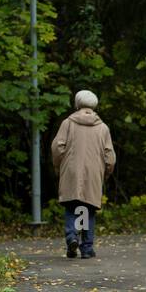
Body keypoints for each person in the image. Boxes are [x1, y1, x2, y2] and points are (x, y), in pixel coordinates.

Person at [51, 90, 115, 259]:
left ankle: (72, 237)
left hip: (71, 170)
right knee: (88, 208)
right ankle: (86, 248)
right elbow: (109, 155)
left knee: (73, 205)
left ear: (77, 104)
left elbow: (58, 147)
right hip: (93, 172)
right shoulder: (103, 128)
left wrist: (59, 165)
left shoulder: (68, 123)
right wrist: (107, 171)